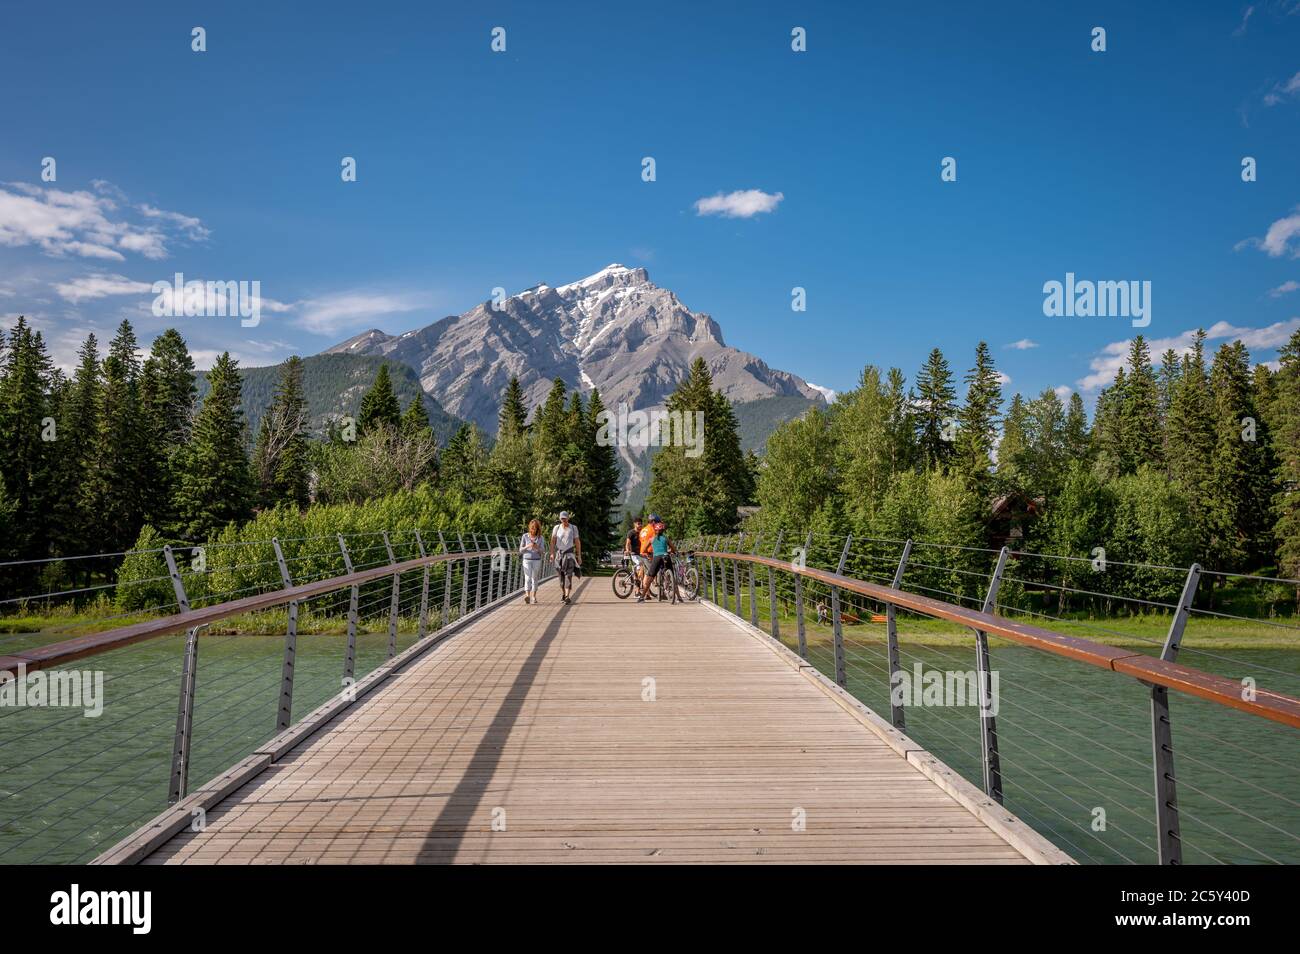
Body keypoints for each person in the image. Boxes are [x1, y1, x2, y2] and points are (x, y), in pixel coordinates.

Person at [638, 519, 676, 603]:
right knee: (672, 575)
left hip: (657, 557)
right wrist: (671, 551)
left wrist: (648, 553)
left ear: (655, 530)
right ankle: (678, 597)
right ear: (663, 531)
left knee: (650, 578)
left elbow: (643, 550)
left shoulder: (652, 539)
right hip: (666, 556)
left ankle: (642, 597)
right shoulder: (666, 538)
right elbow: (673, 549)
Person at [549, 511, 581, 604]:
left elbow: (577, 542)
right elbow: (552, 541)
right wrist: (552, 553)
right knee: (561, 577)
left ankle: (567, 595)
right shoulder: (556, 528)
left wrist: (579, 556)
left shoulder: (573, 528)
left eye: (565, 518)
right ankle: (563, 593)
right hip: (559, 555)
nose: (563, 520)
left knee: (568, 575)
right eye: (562, 518)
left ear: (568, 518)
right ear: (560, 518)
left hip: (570, 555)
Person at [519, 518, 545, 604]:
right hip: (526, 560)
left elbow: (543, 551)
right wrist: (528, 546)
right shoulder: (525, 536)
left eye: (536, 528)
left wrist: (537, 547)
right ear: (530, 527)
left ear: (538, 529)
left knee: (534, 578)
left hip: (536, 560)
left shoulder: (541, 538)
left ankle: (534, 596)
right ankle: (527, 596)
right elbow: (520, 550)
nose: (533, 530)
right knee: (527, 578)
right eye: (532, 527)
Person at [623, 516, 646, 585]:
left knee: (644, 568)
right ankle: (637, 582)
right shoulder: (631, 533)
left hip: (642, 554)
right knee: (641, 566)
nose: (640, 525)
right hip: (634, 555)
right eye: (638, 524)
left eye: (641, 523)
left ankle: (638, 583)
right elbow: (627, 543)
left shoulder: (643, 532)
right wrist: (627, 550)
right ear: (634, 524)